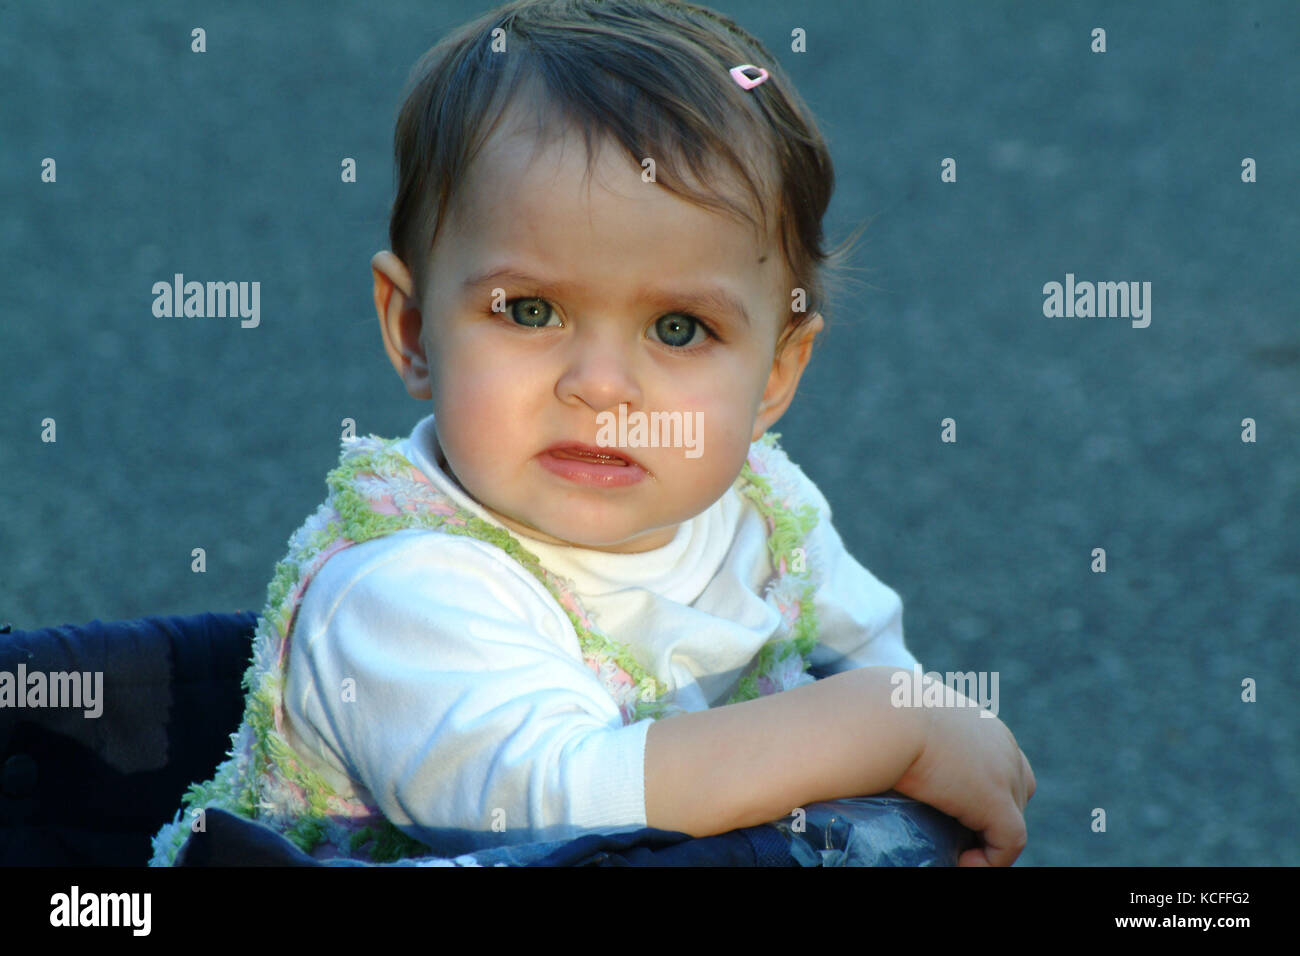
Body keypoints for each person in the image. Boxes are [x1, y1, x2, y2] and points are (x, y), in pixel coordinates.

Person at [150, 0, 1034, 868]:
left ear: (775, 374)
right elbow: (557, 805)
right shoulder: (399, 593)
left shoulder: (769, 515)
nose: (602, 387)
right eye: (531, 312)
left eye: (680, 329)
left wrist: (917, 727)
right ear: (416, 331)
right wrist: (889, 728)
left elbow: (876, 667)